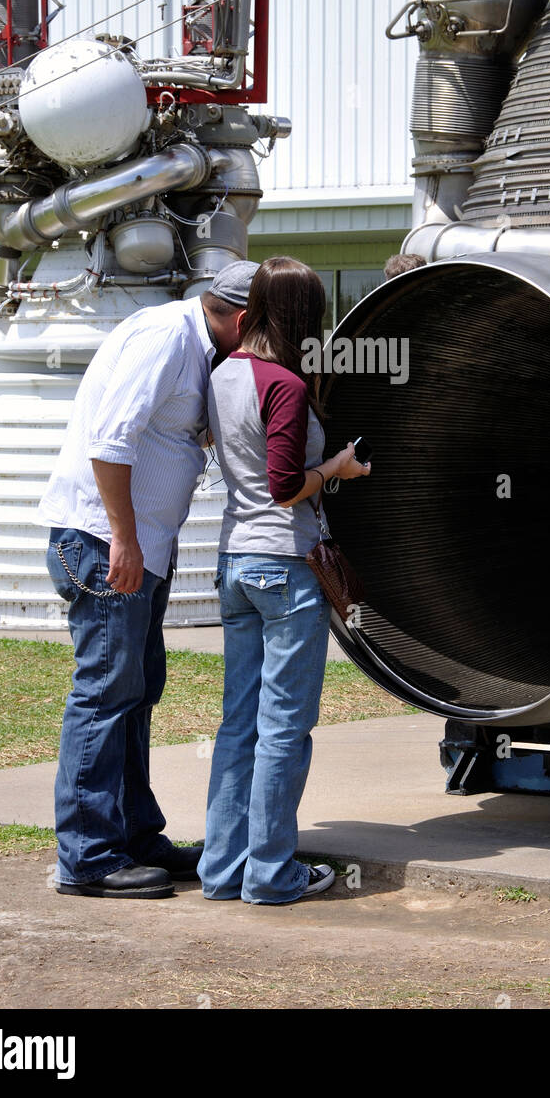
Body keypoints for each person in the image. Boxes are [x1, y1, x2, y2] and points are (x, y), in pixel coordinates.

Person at [36, 260, 259, 900]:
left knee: (135, 693)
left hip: (140, 549)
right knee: (105, 695)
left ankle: (134, 836)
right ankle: (87, 858)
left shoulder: (197, 345)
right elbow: (110, 443)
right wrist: (125, 540)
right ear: (244, 320)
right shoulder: (166, 337)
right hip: (105, 545)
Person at [199, 256, 371, 905]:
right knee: (283, 729)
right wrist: (337, 468)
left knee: (238, 724)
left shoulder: (222, 373)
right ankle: (271, 875)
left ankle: (223, 870)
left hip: (235, 562)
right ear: (304, 316)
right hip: (286, 566)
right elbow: (284, 486)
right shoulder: (284, 385)